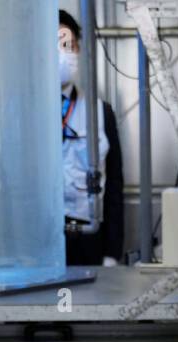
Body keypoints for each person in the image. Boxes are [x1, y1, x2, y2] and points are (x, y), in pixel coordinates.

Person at [58, 10, 124, 266]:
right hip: (37, 240)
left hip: (87, 237)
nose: (62, 54)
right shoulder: (22, 113)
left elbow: (115, 183)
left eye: (67, 45)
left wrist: (112, 251)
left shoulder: (99, 112)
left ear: (78, 50)